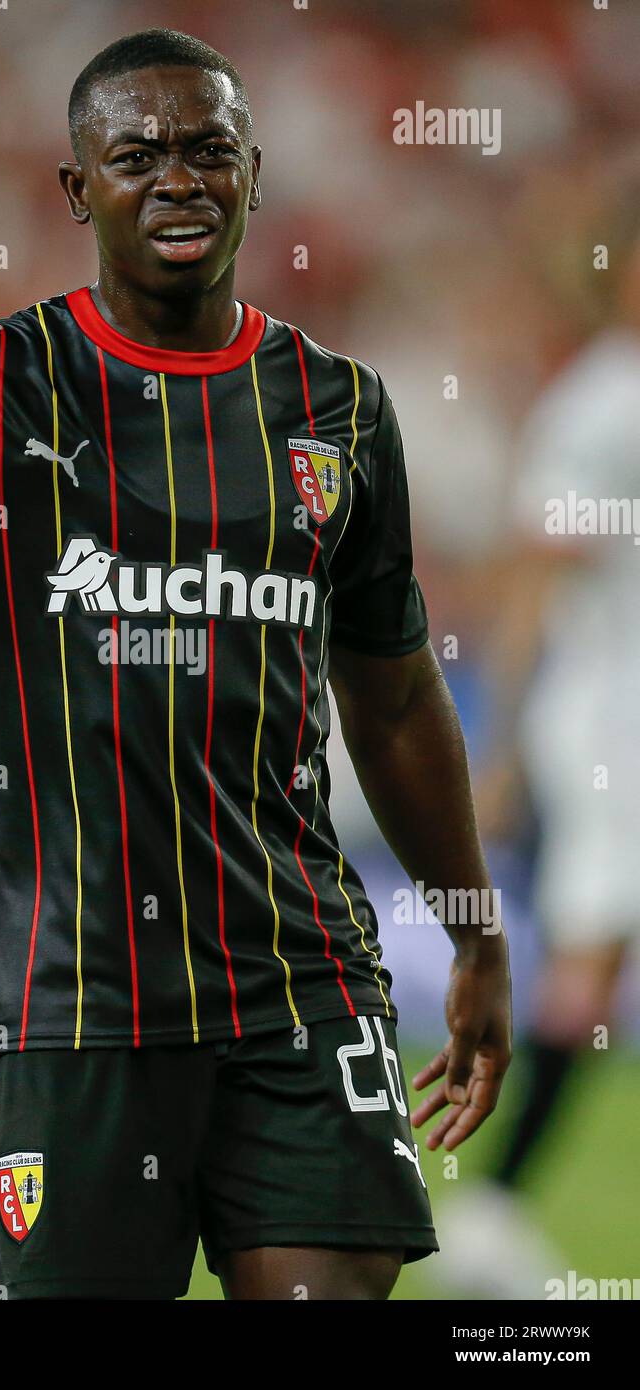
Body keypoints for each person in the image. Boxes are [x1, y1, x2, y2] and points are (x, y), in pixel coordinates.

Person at [0, 28, 511, 1301]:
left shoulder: (340, 408)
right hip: (77, 1006)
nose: (177, 179)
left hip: (303, 985)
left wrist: (474, 931)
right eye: (137, 155)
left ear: (253, 175)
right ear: (78, 190)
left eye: (207, 151)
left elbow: (394, 698)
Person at [437, 174, 640, 1298]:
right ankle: (492, 1214)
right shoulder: (603, 406)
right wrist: (502, 741)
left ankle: (494, 1215)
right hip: (611, 724)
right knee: (591, 960)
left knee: (595, 965)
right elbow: (534, 576)